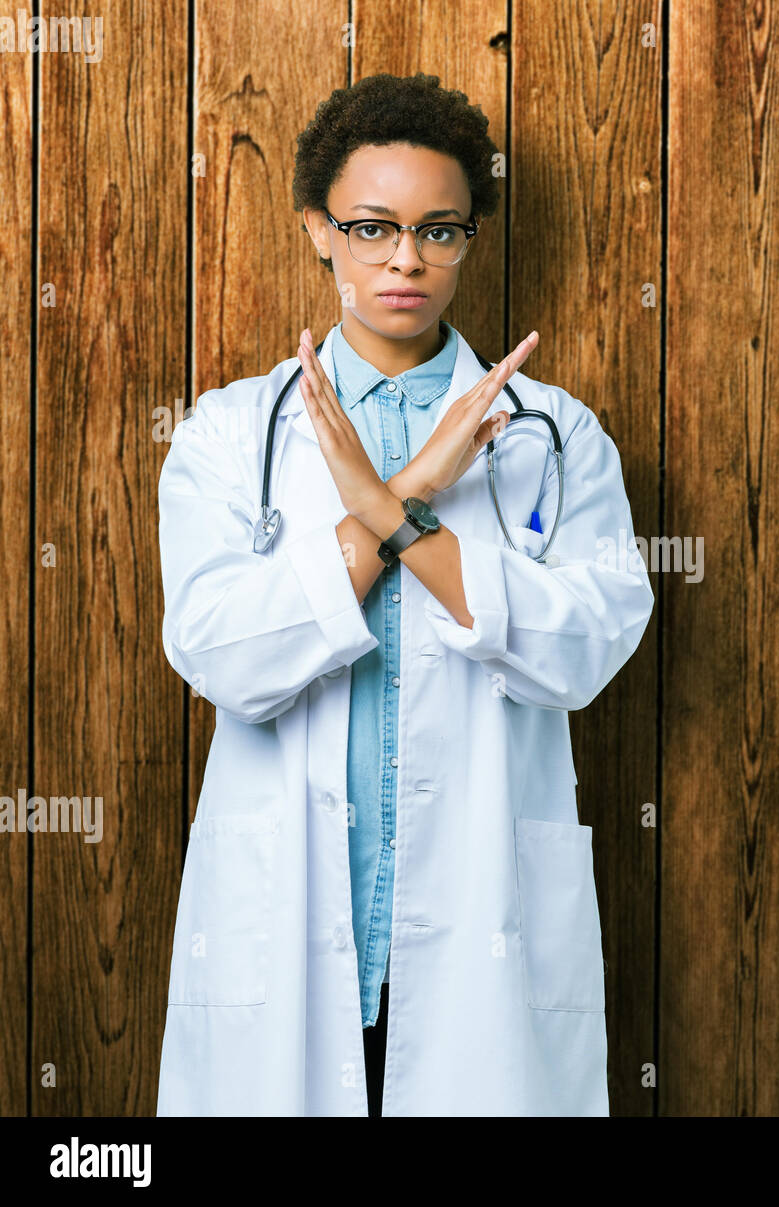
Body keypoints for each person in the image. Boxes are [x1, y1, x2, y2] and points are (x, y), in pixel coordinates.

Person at [155, 72, 654, 1116]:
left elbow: (580, 653)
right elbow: (228, 660)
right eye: (372, 226)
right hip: (286, 930)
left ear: (470, 237)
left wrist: (389, 516)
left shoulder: (556, 439)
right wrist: (419, 486)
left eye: (441, 230)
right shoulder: (228, 436)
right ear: (317, 230)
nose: (406, 260)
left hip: (484, 932)